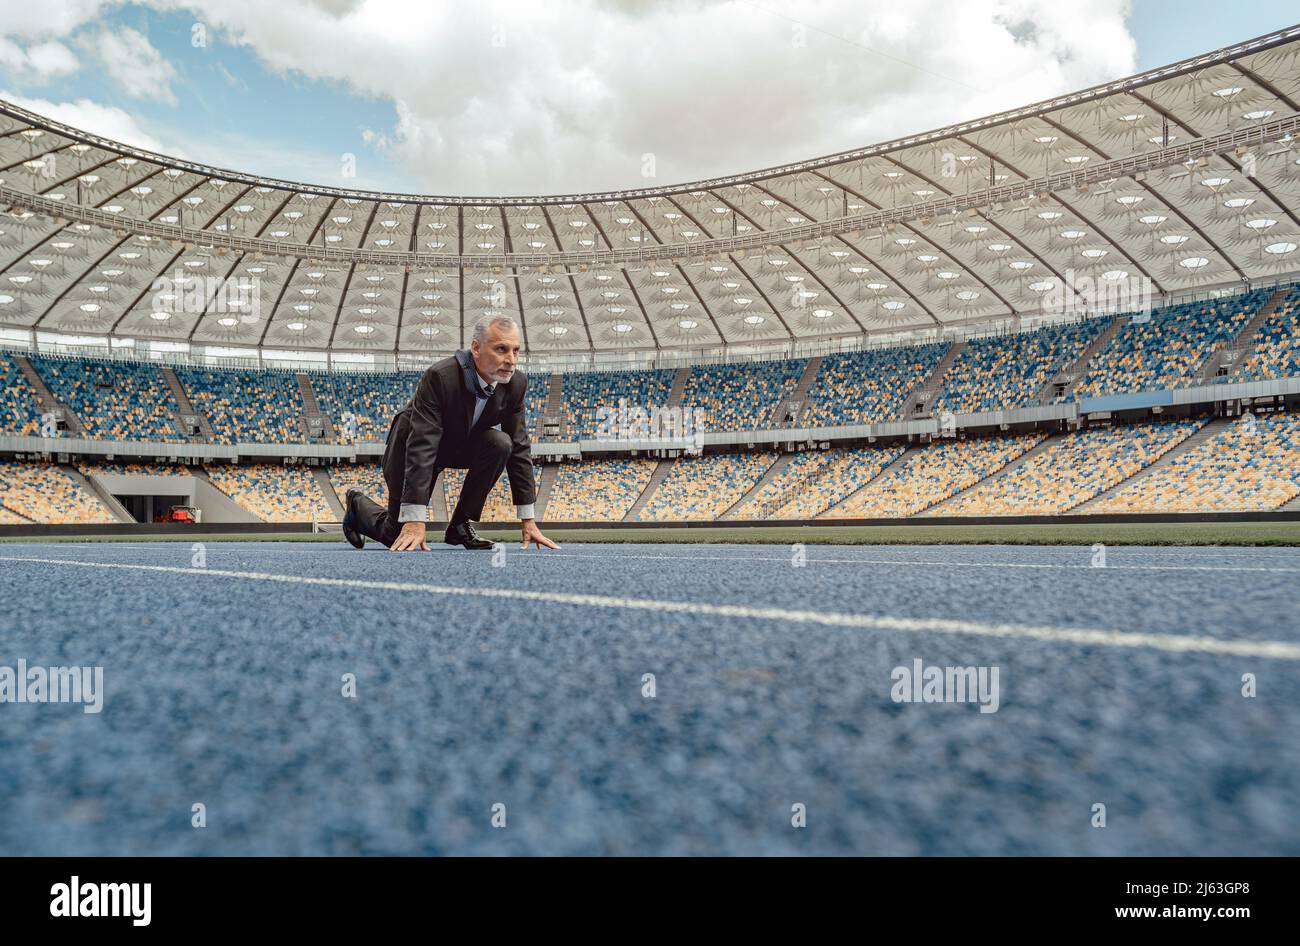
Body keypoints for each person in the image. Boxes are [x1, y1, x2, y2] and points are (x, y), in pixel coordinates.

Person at [342, 314, 558, 553]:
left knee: (501, 443)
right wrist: (415, 518)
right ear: (476, 347)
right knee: (397, 534)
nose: (511, 360)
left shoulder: (515, 384)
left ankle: (460, 525)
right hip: (411, 446)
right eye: (501, 349)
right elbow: (423, 445)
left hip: (458, 445)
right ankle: (357, 505)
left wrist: (528, 520)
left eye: (516, 351)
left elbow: (519, 446)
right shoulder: (441, 377)